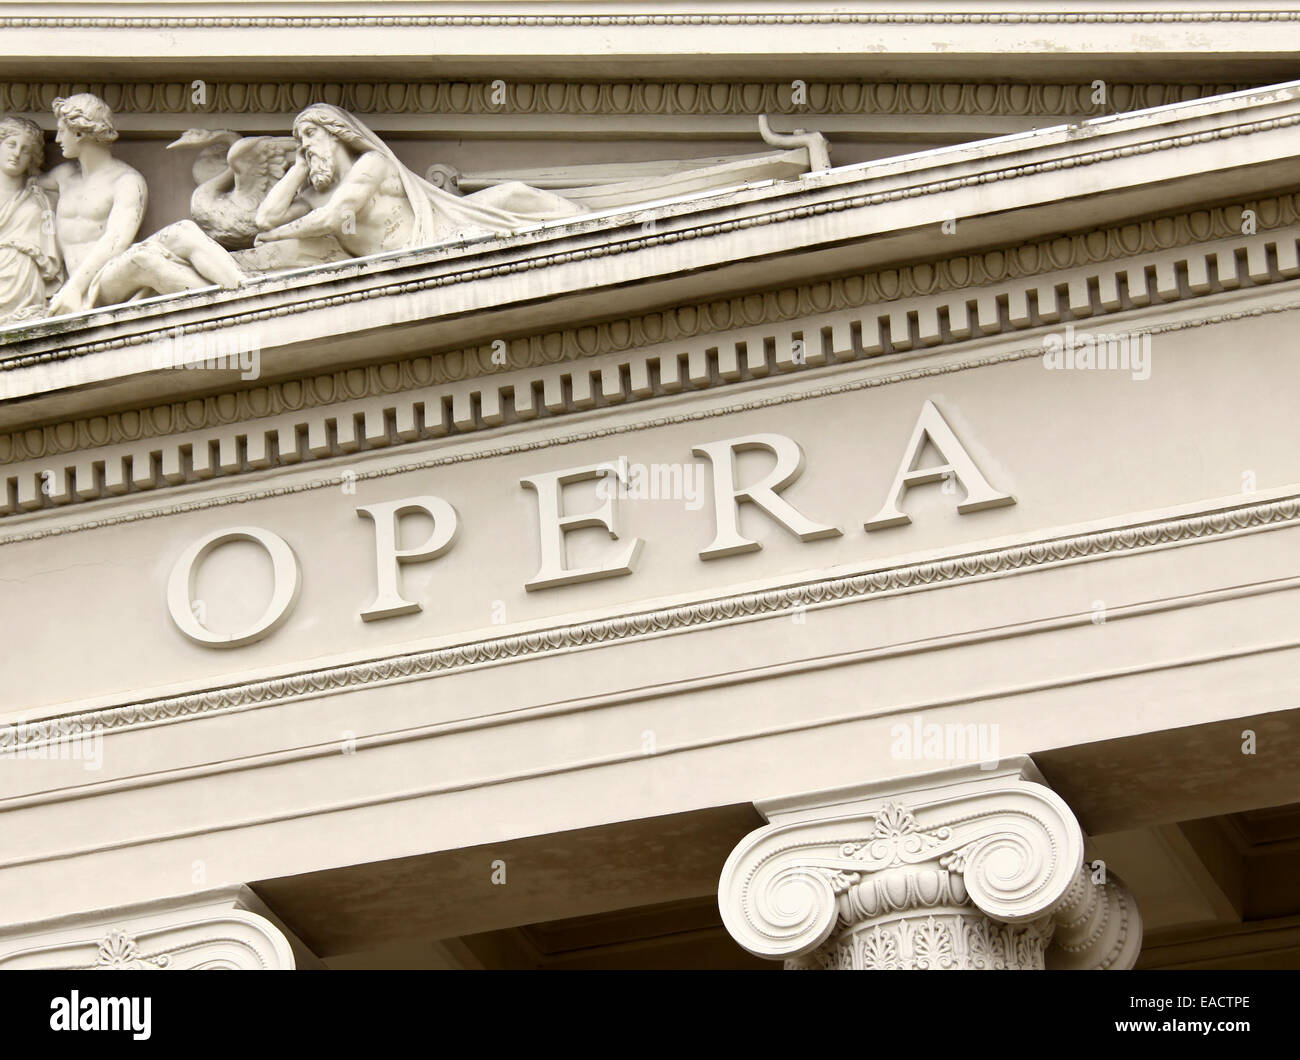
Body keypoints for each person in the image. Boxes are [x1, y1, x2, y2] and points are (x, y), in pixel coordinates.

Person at [246, 103, 585, 270]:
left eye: (311, 134)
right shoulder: (311, 198)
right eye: (298, 140)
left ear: (337, 134)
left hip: (440, 239)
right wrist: (300, 167)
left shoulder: (372, 164)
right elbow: (264, 220)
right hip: (404, 269)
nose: (304, 144)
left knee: (512, 194)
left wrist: (276, 237)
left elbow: (335, 217)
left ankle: (588, 222)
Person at [37, 94, 148, 316]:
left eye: (61, 131)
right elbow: (23, 183)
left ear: (78, 132)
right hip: (73, 290)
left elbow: (116, 241)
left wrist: (74, 289)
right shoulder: (63, 176)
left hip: (108, 287)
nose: (57, 139)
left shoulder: (126, 181)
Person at [0, 116, 60, 325]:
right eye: (11, 144)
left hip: (26, 279)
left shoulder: (42, 197)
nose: (16, 153)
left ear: (33, 157)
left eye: (25, 150)